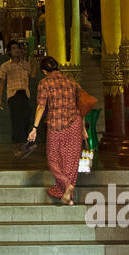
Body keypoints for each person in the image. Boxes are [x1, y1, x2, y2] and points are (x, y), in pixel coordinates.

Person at [27, 57, 89, 204]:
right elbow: (81, 106)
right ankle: (68, 196)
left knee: (53, 159)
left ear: (44, 71)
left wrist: (34, 128)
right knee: (71, 160)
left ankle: (67, 186)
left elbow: (41, 106)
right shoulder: (72, 82)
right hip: (75, 124)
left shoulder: (45, 82)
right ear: (57, 67)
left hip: (56, 124)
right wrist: (83, 129)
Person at [0, 40, 38, 157]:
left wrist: (34, 64)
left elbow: (33, 75)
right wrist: (0, 98)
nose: (17, 50)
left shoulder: (25, 64)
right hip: (13, 95)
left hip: (25, 94)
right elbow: (2, 82)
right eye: (14, 48)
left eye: (18, 48)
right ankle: (17, 147)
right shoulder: (5, 66)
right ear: (9, 51)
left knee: (26, 118)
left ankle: (24, 146)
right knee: (17, 120)